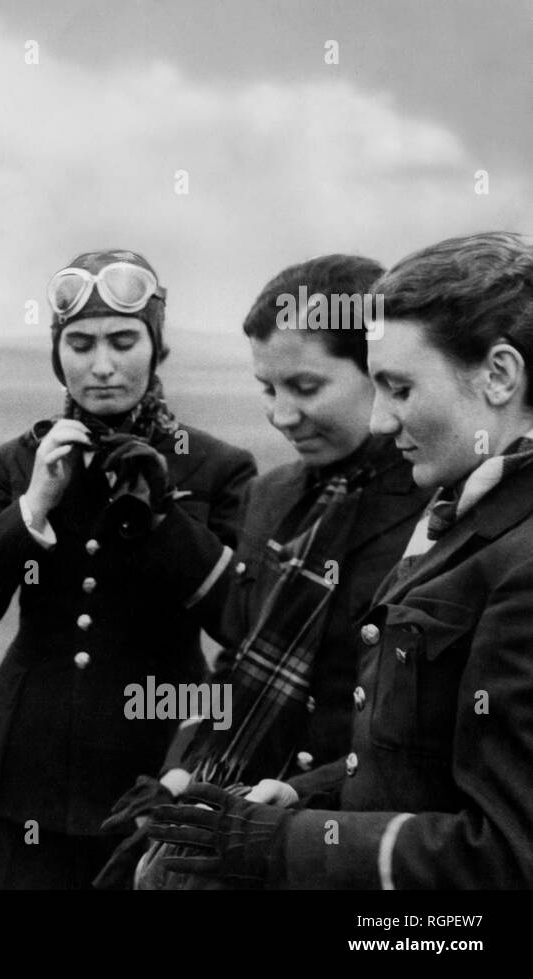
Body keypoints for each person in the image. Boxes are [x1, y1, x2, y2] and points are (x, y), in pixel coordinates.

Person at [148, 231, 533, 888]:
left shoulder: (510, 553)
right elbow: (413, 761)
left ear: (499, 375)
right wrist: (302, 798)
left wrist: (283, 839)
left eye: (400, 388)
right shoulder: (461, 511)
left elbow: (507, 855)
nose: (381, 421)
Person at [97, 255, 433, 888]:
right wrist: (182, 774)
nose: (281, 415)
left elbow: (419, 734)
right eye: (268, 389)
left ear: (380, 371)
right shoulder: (270, 496)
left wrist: (295, 801)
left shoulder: (434, 508)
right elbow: (237, 660)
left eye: (305, 387)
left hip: (344, 846)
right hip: (231, 829)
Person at [0, 249, 256, 889]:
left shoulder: (216, 467)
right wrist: (31, 507)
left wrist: (163, 516)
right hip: (20, 775)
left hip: (154, 770)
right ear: (58, 354)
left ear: (156, 347)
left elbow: (244, 624)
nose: (101, 365)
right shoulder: (17, 462)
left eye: (123, 341)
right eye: (79, 344)